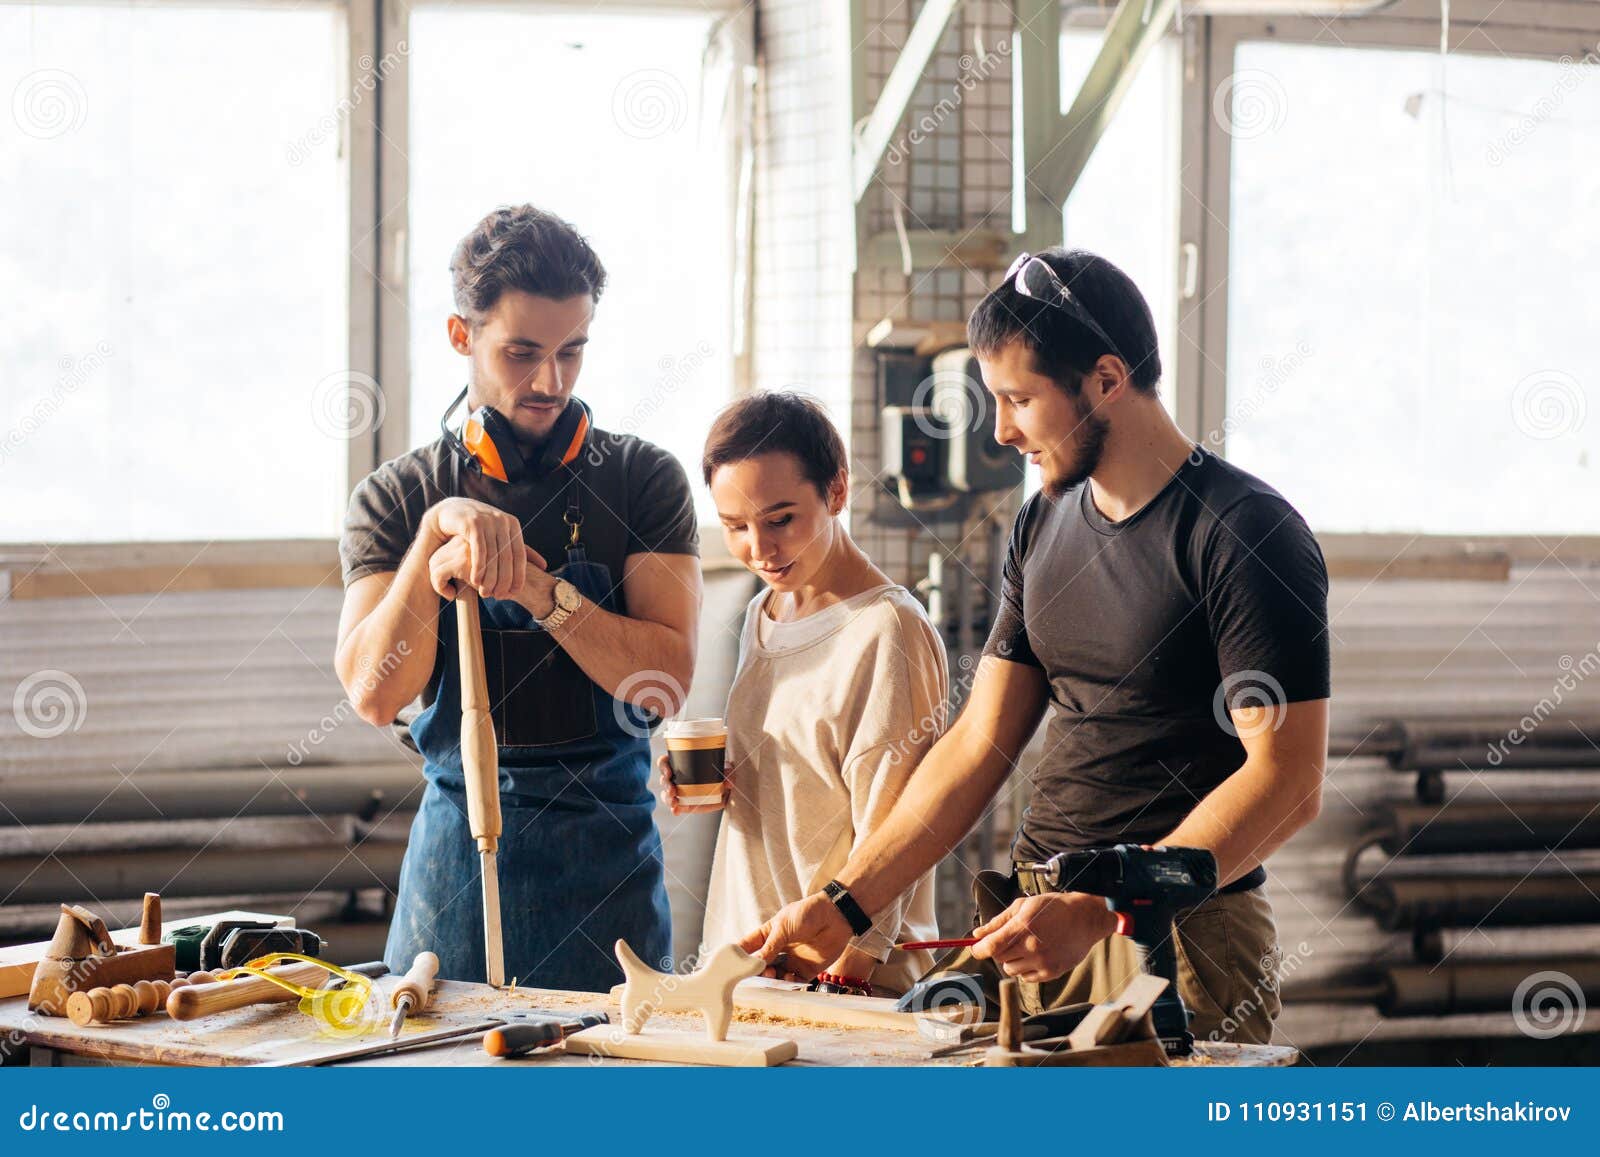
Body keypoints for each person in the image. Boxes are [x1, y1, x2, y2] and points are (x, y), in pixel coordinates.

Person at [739, 249, 1331, 1042]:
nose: (1001, 429)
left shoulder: (1244, 533)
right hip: (1035, 922)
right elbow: (977, 742)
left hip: (1179, 937)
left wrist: (1106, 905)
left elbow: (1288, 780)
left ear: (1107, 380)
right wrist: (847, 902)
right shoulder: (1044, 521)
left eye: (1020, 398)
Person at [335, 204, 702, 991]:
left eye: (573, 351)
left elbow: (664, 684)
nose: (551, 381)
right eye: (522, 352)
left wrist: (540, 591)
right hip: (454, 870)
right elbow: (373, 691)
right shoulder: (396, 497)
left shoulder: (642, 482)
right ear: (461, 336)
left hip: (610, 876)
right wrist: (432, 538)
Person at [660, 391, 946, 996]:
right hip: (750, 963)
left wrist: (848, 974)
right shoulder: (765, 612)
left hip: (839, 974)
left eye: (781, 519)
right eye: (736, 527)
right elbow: (801, 766)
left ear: (837, 491)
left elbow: (895, 827)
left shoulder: (887, 629)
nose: (759, 550)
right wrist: (727, 776)